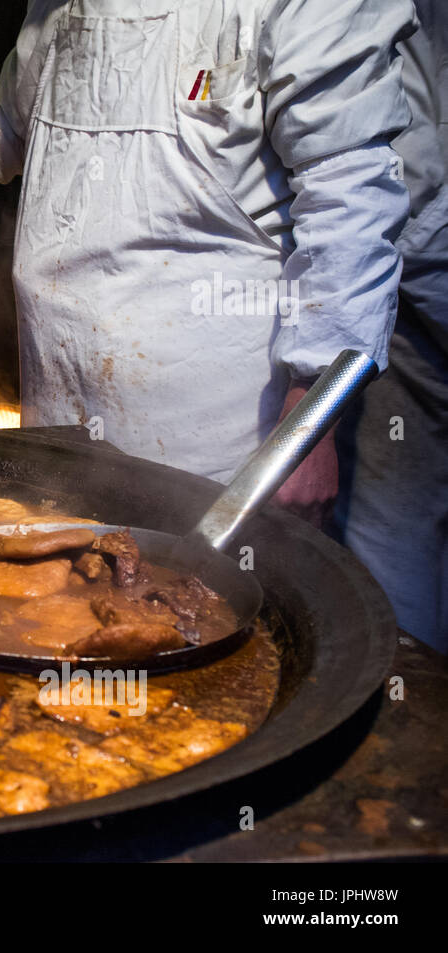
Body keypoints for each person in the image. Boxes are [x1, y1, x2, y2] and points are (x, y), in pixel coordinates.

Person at [0, 0, 417, 525]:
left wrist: (310, 427)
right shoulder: (60, 5)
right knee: (56, 616)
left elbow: (349, 202)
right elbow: (16, 118)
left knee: (197, 626)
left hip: (221, 437)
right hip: (58, 402)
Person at [336, 0, 447, 652]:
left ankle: (396, 727)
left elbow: (401, 176)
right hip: (424, 269)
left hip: (420, 286)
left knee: (392, 531)